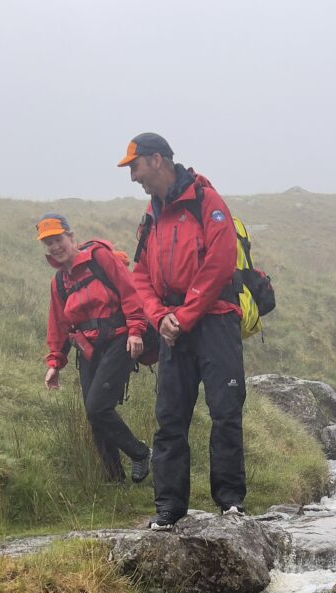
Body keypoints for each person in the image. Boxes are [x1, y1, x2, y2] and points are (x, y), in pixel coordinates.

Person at [117, 133, 246, 530]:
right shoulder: (150, 216)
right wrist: (159, 317)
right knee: (169, 419)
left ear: (157, 160)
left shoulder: (208, 202)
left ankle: (230, 503)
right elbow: (140, 275)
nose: (133, 176)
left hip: (216, 321)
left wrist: (184, 316)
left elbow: (220, 264)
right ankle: (169, 510)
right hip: (173, 327)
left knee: (225, 411)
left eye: (135, 166)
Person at [38, 213, 152, 485]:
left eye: (58, 239)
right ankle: (114, 480)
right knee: (94, 415)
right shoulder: (59, 282)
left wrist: (136, 330)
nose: (55, 247)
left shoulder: (99, 257)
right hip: (88, 349)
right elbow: (59, 323)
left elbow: (129, 291)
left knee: (98, 407)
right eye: (48, 243)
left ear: (71, 237)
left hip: (120, 339)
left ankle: (140, 452)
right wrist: (55, 362)